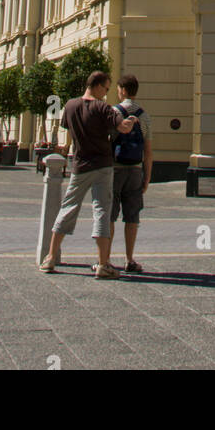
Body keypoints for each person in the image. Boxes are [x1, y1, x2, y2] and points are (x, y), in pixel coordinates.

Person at [39, 71, 137, 279]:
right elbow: (122, 127)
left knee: (68, 207)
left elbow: (67, 129)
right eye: (106, 88)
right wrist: (129, 123)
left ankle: (49, 258)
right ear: (99, 86)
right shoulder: (103, 107)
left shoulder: (70, 106)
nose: (107, 92)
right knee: (101, 210)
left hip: (80, 165)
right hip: (102, 165)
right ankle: (103, 264)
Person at [108, 74, 153, 274]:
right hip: (135, 169)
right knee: (132, 216)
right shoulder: (144, 116)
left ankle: (105, 258)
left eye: (118, 90)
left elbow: (106, 141)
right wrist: (147, 177)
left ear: (123, 90)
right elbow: (149, 151)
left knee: (109, 215)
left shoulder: (113, 112)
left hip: (114, 169)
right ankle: (129, 259)